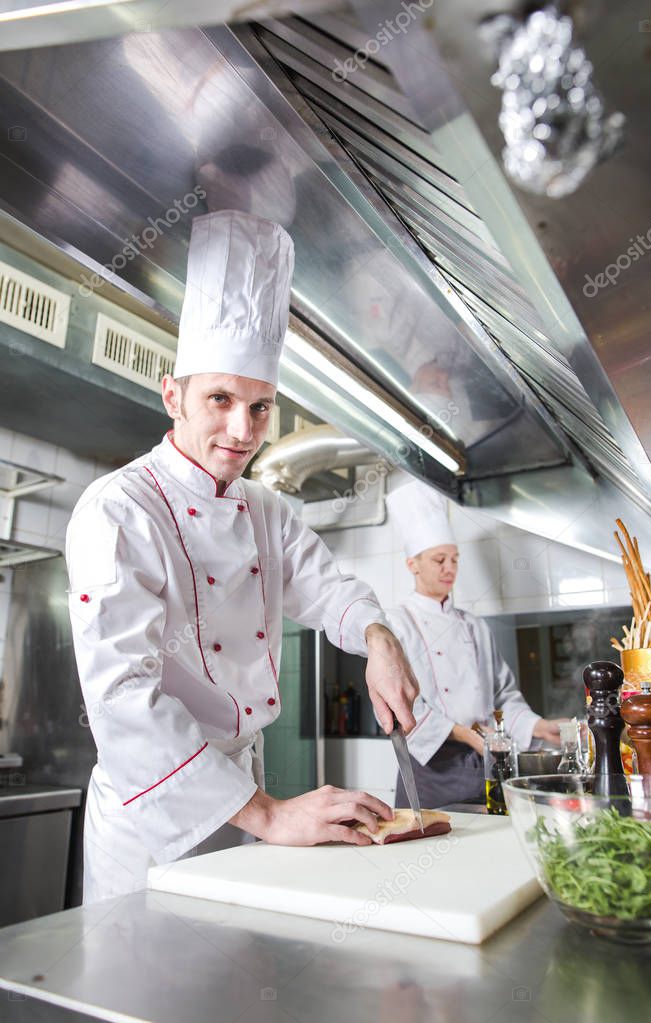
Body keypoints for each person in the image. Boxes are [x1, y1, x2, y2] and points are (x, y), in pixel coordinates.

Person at [66, 210, 418, 903]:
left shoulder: (265, 511)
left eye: (260, 407)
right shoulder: (118, 510)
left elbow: (330, 588)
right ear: (173, 395)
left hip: (247, 800)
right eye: (220, 398)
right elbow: (121, 698)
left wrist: (379, 637)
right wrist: (270, 813)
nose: (241, 429)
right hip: (153, 820)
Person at [385, 480, 563, 808]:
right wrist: (466, 734)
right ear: (413, 564)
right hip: (431, 769)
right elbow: (401, 705)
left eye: (454, 559)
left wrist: (539, 726)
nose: (450, 568)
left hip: (485, 763)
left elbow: (504, 697)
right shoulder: (395, 624)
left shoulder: (475, 626)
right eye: (439, 560)